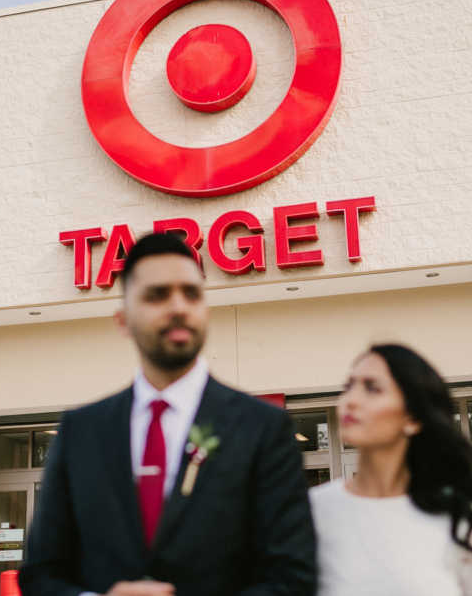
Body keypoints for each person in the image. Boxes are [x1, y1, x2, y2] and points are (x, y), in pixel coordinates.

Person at [20, 233, 316, 596]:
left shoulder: (263, 428)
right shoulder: (80, 431)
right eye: (157, 295)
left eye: (191, 293)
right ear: (122, 320)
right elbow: (39, 574)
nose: (178, 306)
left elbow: (292, 578)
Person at [310, 344, 472, 596]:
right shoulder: (312, 511)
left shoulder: (457, 514)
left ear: (413, 419)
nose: (350, 400)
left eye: (372, 388)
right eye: (348, 386)